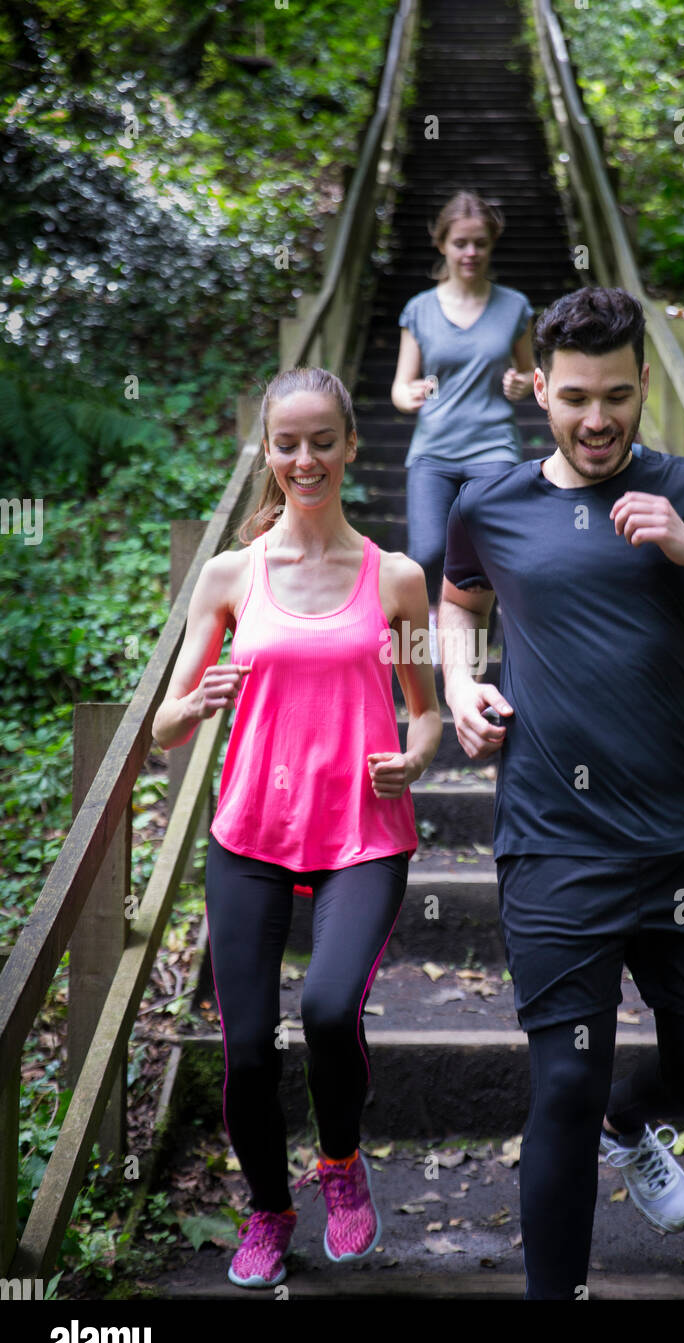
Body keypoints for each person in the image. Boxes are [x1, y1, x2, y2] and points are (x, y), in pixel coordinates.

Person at [437, 286, 684, 1300]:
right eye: (571, 397)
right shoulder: (491, 501)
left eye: (613, 395)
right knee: (561, 1079)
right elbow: (457, 595)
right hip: (554, 844)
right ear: (537, 392)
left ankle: (628, 1120)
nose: (594, 419)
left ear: (642, 385)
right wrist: (457, 679)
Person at [152, 366, 441, 1288]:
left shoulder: (395, 580)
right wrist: (198, 699)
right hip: (251, 832)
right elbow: (161, 723)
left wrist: (418, 757)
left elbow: (425, 710)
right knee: (243, 1046)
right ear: (269, 455)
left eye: (323, 440)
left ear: (352, 447)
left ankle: (343, 1165)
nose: (305, 458)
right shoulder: (232, 576)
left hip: (363, 828)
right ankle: (270, 1211)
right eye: (288, 443)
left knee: (323, 1010)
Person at [391, 190, 535, 656]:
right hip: (433, 449)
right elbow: (400, 386)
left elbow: (535, 378)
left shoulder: (515, 308)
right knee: (429, 552)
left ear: (491, 247)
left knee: (489, 549)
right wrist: (409, 395)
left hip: (493, 447)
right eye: (460, 243)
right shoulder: (419, 309)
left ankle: (477, 639)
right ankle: (433, 624)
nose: (470, 253)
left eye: (479, 243)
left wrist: (520, 386)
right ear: (442, 245)